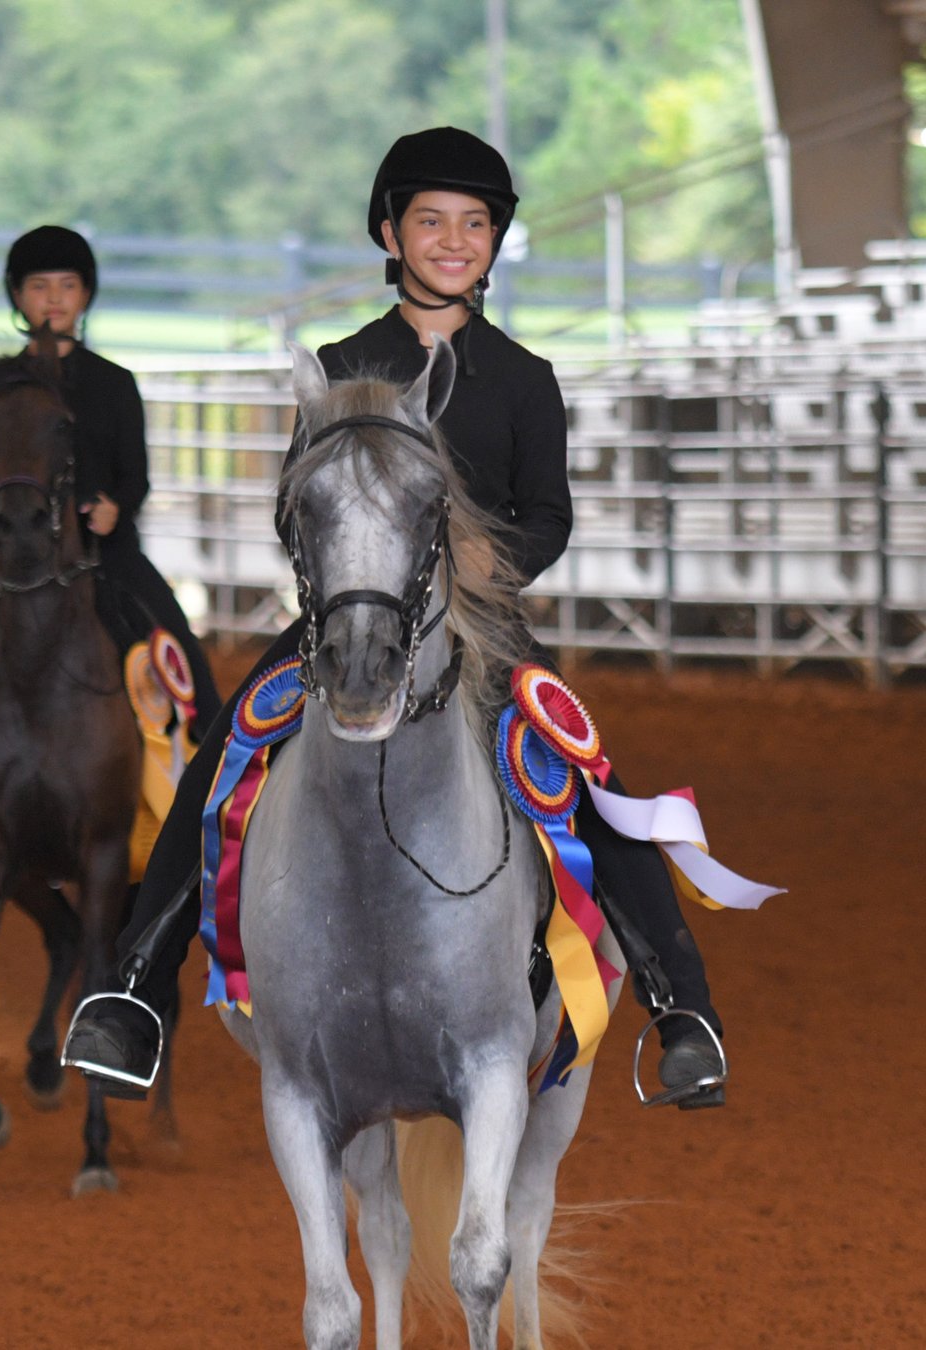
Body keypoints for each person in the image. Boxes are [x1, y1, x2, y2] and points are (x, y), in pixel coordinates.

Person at [62, 127, 728, 1108]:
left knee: (591, 785)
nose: (453, 241)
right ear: (388, 231)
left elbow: (546, 512)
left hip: (484, 629)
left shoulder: (523, 378)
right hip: (345, 619)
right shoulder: (338, 364)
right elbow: (293, 501)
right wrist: (340, 586)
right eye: (429, 221)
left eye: (474, 224)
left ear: (494, 243)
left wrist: (477, 578)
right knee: (221, 763)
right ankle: (133, 994)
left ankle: (682, 1010)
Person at [0, 226, 223, 879]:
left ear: (85, 295)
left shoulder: (115, 384)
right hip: (20, 568)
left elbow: (136, 475)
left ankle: (219, 804)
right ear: (18, 297)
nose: (53, 299)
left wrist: (118, 506)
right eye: (39, 287)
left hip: (107, 558)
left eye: (66, 286)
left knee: (185, 656)